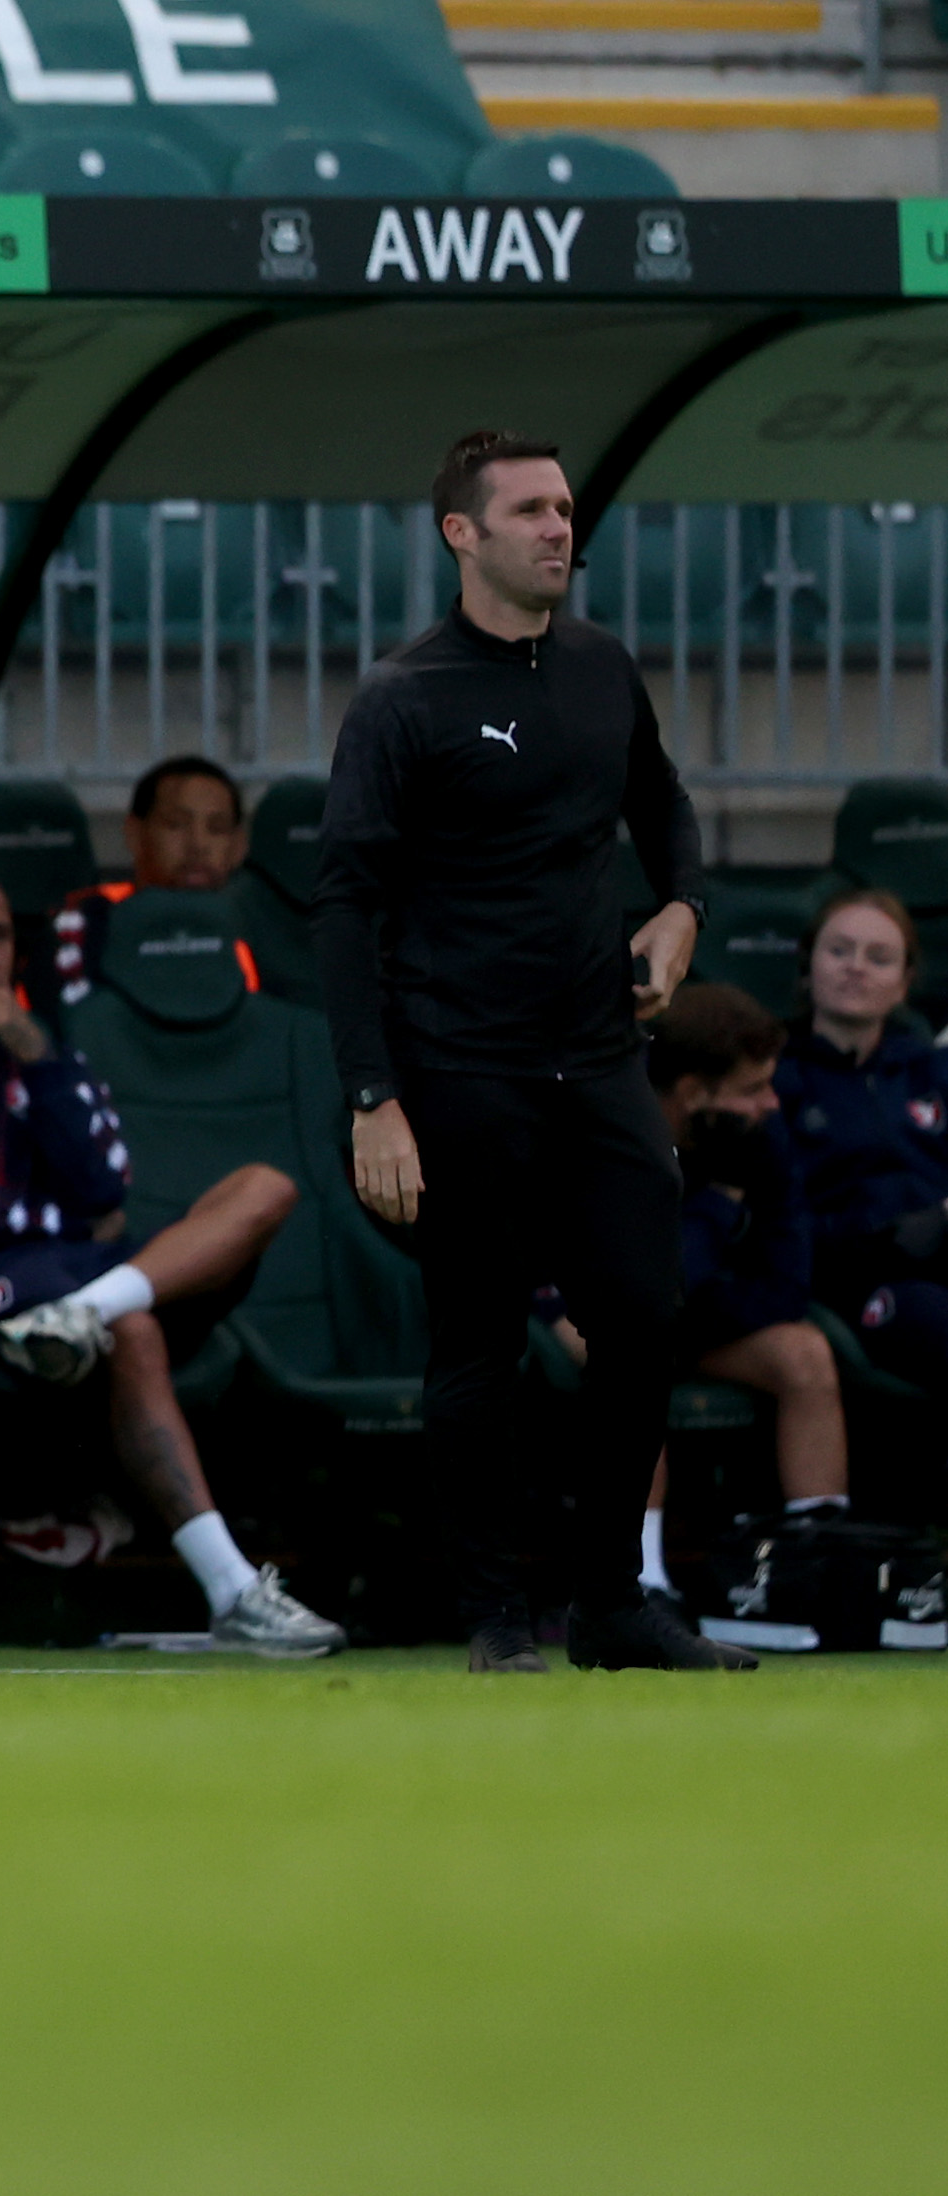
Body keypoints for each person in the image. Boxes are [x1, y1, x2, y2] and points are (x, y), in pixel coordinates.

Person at [318, 428, 741, 1675]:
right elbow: (343, 905)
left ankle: (612, 1600)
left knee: (644, 1317)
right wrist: (371, 1097)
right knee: (479, 1337)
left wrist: (682, 907)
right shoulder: (405, 697)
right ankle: (500, 1619)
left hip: (598, 1056)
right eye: (533, 512)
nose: (562, 529)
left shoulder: (604, 667)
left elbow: (659, 798)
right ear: (464, 532)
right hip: (459, 1065)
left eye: (566, 510)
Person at [0, 867, 345, 1654]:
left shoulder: (40, 1049)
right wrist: (77, 1225)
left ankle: (87, 1314)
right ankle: (236, 1592)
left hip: (74, 1284)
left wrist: (29, 1047)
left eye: (0, 936)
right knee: (133, 1329)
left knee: (263, 1189)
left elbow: (108, 1176)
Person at [540, 985, 850, 1603]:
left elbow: (787, 1285)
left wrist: (689, 1307)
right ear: (690, 1092)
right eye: (750, 1088)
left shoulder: (761, 1134)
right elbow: (639, 1281)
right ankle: (640, 1583)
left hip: (690, 1314)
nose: (770, 1102)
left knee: (805, 1352)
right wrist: (713, 1209)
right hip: (578, 1308)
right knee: (631, 1349)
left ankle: (818, 1567)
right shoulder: (602, 1129)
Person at [772, 888, 948, 1395]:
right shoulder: (771, 1079)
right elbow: (782, 1229)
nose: (856, 967)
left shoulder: (929, 1070)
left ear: (904, 983)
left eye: (879, 957)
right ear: (808, 967)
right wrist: (897, 1233)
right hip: (855, 1286)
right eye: (839, 950)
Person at [50, 754, 259, 1008]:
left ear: (238, 846)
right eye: (175, 825)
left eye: (216, 829)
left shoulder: (263, 932)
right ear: (135, 834)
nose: (198, 844)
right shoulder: (80, 927)